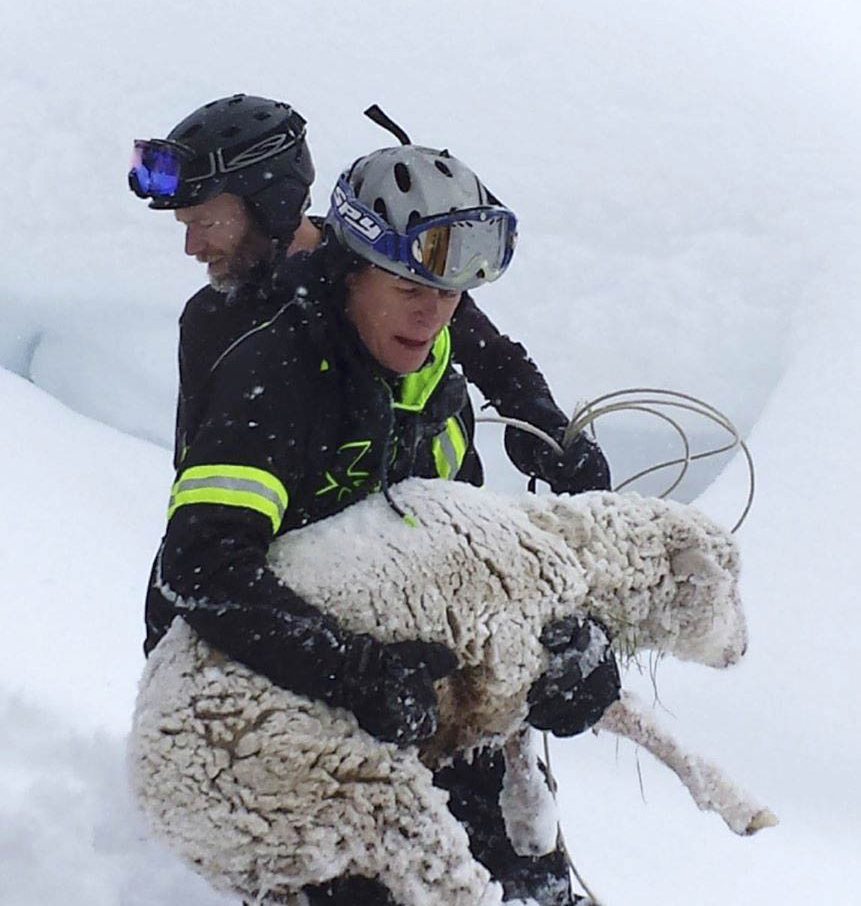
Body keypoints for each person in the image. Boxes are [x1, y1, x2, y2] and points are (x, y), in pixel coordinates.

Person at [140, 143, 621, 906]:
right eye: (405, 285)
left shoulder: (433, 370)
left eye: (450, 293)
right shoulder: (278, 378)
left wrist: (563, 647)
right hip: (263, 693)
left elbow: (474, 558)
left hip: (408, 670)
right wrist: (356, 674)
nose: (431, 313)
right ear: (349, 268)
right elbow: (196, 566)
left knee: (523, 876)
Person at [129, 93, 611, 494]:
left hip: (456, 540)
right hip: (338, 575)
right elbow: (206, 485)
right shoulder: (214, 321)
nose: (191, 247)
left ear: (269, 203)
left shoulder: (383, 266)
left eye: (206, 224)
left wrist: (544, 425)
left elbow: (494, 358)